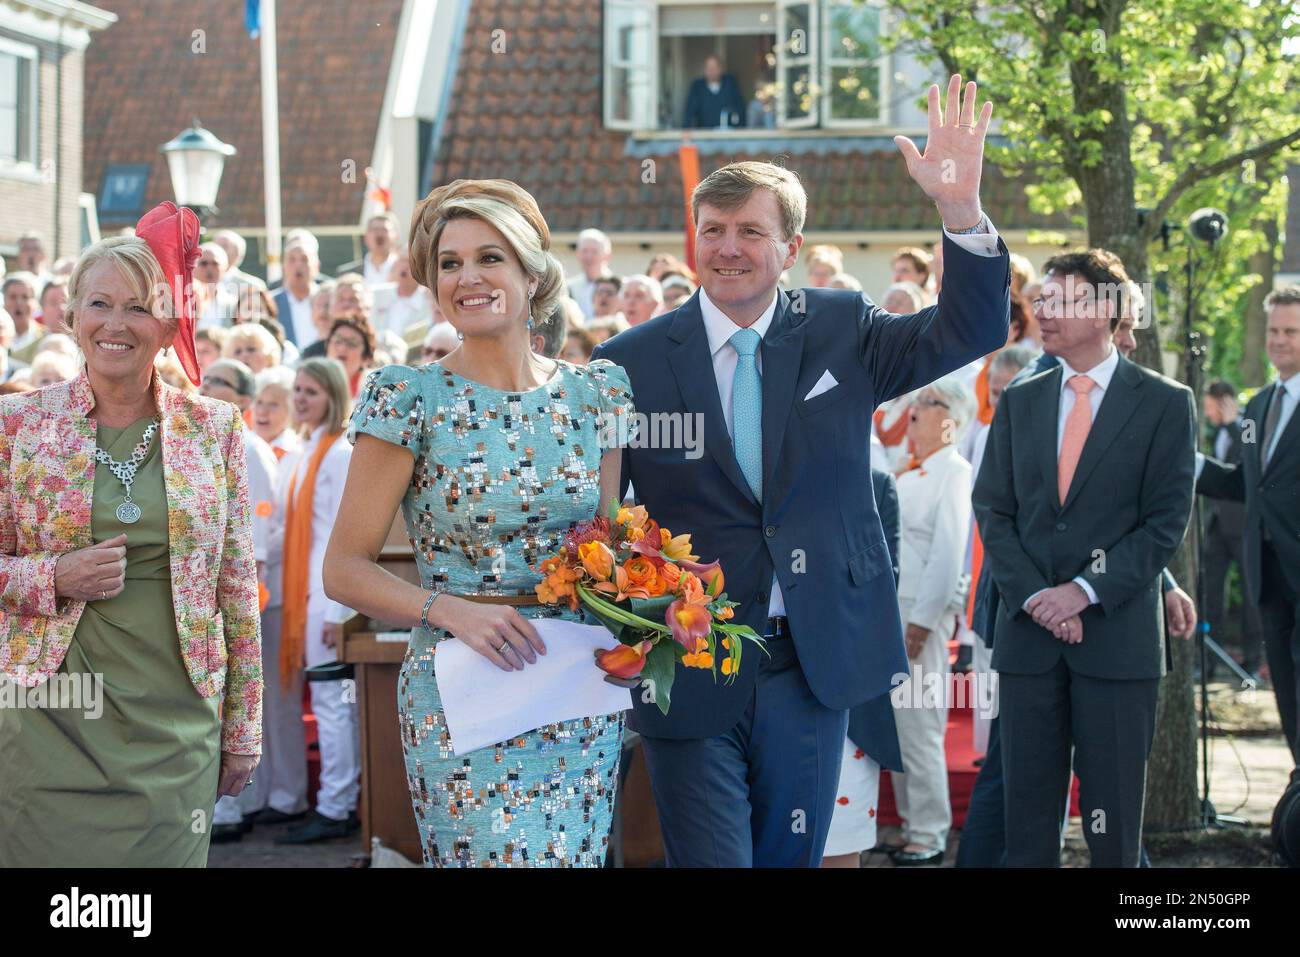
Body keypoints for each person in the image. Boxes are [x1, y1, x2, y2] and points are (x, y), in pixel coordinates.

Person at [592, 76, 1011, 866]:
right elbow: (603, 515)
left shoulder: (841, 329)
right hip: (688, 667)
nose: (727, 247)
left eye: (750, 231)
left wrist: (959, 211)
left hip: (810, 665)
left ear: (789, 249)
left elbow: (972, 326)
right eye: (712, 229)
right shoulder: (628, 362)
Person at [324, 178, 635, 867]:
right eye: (450, 263)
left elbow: (606, 551)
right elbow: (343, 568)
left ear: (531, 272)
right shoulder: (409, 398)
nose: (469, 277)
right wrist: (453, 611)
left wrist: (653, 612)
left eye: (490, 257)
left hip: (576, 689)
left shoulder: (597, 392)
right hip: (460, 690)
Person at [0, 203, 262, 866]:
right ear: (71, 315)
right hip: (47, 715)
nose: (116, 324)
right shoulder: (18, 426)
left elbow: (237, 587)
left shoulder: (216, 428)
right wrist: (50, 577)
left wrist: (245, 727)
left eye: (139, 307)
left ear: (171, 323)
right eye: (99, 303)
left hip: (174, 724)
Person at [973, 249, 1196, 867]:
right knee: (1028, 824)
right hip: (1029, 643)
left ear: (1105, 311)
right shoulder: (1021, 399)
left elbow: (1164, 523)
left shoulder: (1164, 403)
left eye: (1059, 300)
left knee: (1114, 827)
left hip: (1117, 644)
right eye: (1039, 299)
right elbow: (994, 508)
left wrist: (1082, 592)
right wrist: (1038, 599)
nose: (1041, 311)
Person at [1198, 286, 1300, 764]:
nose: (1279, 340)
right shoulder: (1258, 406)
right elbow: (1246, 484)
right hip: (1269, 578)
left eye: (1291, 331)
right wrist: (1188, 465)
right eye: (1274, 330)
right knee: (1288, 701)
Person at [882, 376, 974, 865]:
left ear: (951, 420)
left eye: (927, 402)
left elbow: (947, 554)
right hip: (889, 612)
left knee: (920, 725)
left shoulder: (952, 471)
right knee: (897, 727)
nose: (914, 410)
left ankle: (931, 832)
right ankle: (906, 823)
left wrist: (924, 620)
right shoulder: (909, 470)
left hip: (919, 616)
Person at [271, 357, 361, 844]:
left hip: (329, 596)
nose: (302, 398)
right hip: (304, 593)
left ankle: (337, 806)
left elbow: (345, 536)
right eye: (298, 390)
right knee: (327, 699)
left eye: (312, 391)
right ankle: (332, 800)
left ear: (333, 395)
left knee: (333, 701)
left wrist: (338, 609)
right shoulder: (305, 447)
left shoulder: (339, 452)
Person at [197, 359, 281, 843]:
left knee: (243, 697)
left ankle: (236, 807)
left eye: (221, 383)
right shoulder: (207, 435)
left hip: (242, 592)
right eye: (206, 379)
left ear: (245, 399)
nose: (207, 387)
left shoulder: (248, 446)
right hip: (215, 590)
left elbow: (256, 528)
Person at [822, 466, 903, 868]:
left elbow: (884, 586)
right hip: (756, 691)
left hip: (847, 693)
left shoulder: (875, 484)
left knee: (839, 841)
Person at [1201, 379, 1262, 675]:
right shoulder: (1216, 431)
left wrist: (1232, 424)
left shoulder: (1244, 427)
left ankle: (1253, 661)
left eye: (1210, 406)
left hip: (1242, 524)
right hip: (1217, 525)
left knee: (1252, 596)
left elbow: (1247, 464)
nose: (1207, 412)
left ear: (1224, 402)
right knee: (1211, 592)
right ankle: (1210, 661)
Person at [273, 231, 321, 350]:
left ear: (317, 266)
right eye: (292, 260)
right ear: (283, 267)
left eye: (305, 259)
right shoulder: (271, 304)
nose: (298, 265)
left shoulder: (330, 301)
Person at [251, 366, 302, 461]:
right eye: (259, 402)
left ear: (292, 409)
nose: (262, 411)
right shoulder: (239, 445)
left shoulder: (298, 452)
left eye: (273, 405)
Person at [683, 54, 745, 128]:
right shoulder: (697, 87)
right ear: (704, 70)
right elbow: (689, 111)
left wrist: (740, 131)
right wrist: (686, 128)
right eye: (709, 68)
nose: (712, 71)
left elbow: (740, 108)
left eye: (714, 68)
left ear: (720, 69)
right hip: (705, 133)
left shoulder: (730, 84)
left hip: (729, 133)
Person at [566, 228, 614, 321]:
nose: (589, 257)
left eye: (594, 251)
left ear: (607, 255)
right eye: (584, 251)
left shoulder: (619, 287)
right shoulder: (569, 287)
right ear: (578, 254)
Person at [325, 315, 378, 397]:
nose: (342, 348)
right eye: (337, 341)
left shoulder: (375, 392)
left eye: (352, 344)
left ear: (366, 358)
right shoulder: (311, 382)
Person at [4, 273, 44, 364]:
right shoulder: (1, 335)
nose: (19, 303)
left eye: (25, 297)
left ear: (36, 303)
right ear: (4, 301)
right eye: (13, 297)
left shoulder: (44, 338)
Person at [212, 230, 267, 294]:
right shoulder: (201, 284)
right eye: (215, 246)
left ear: (237, 253)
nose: (218, 250)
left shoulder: (253, 285)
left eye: (224, 246)